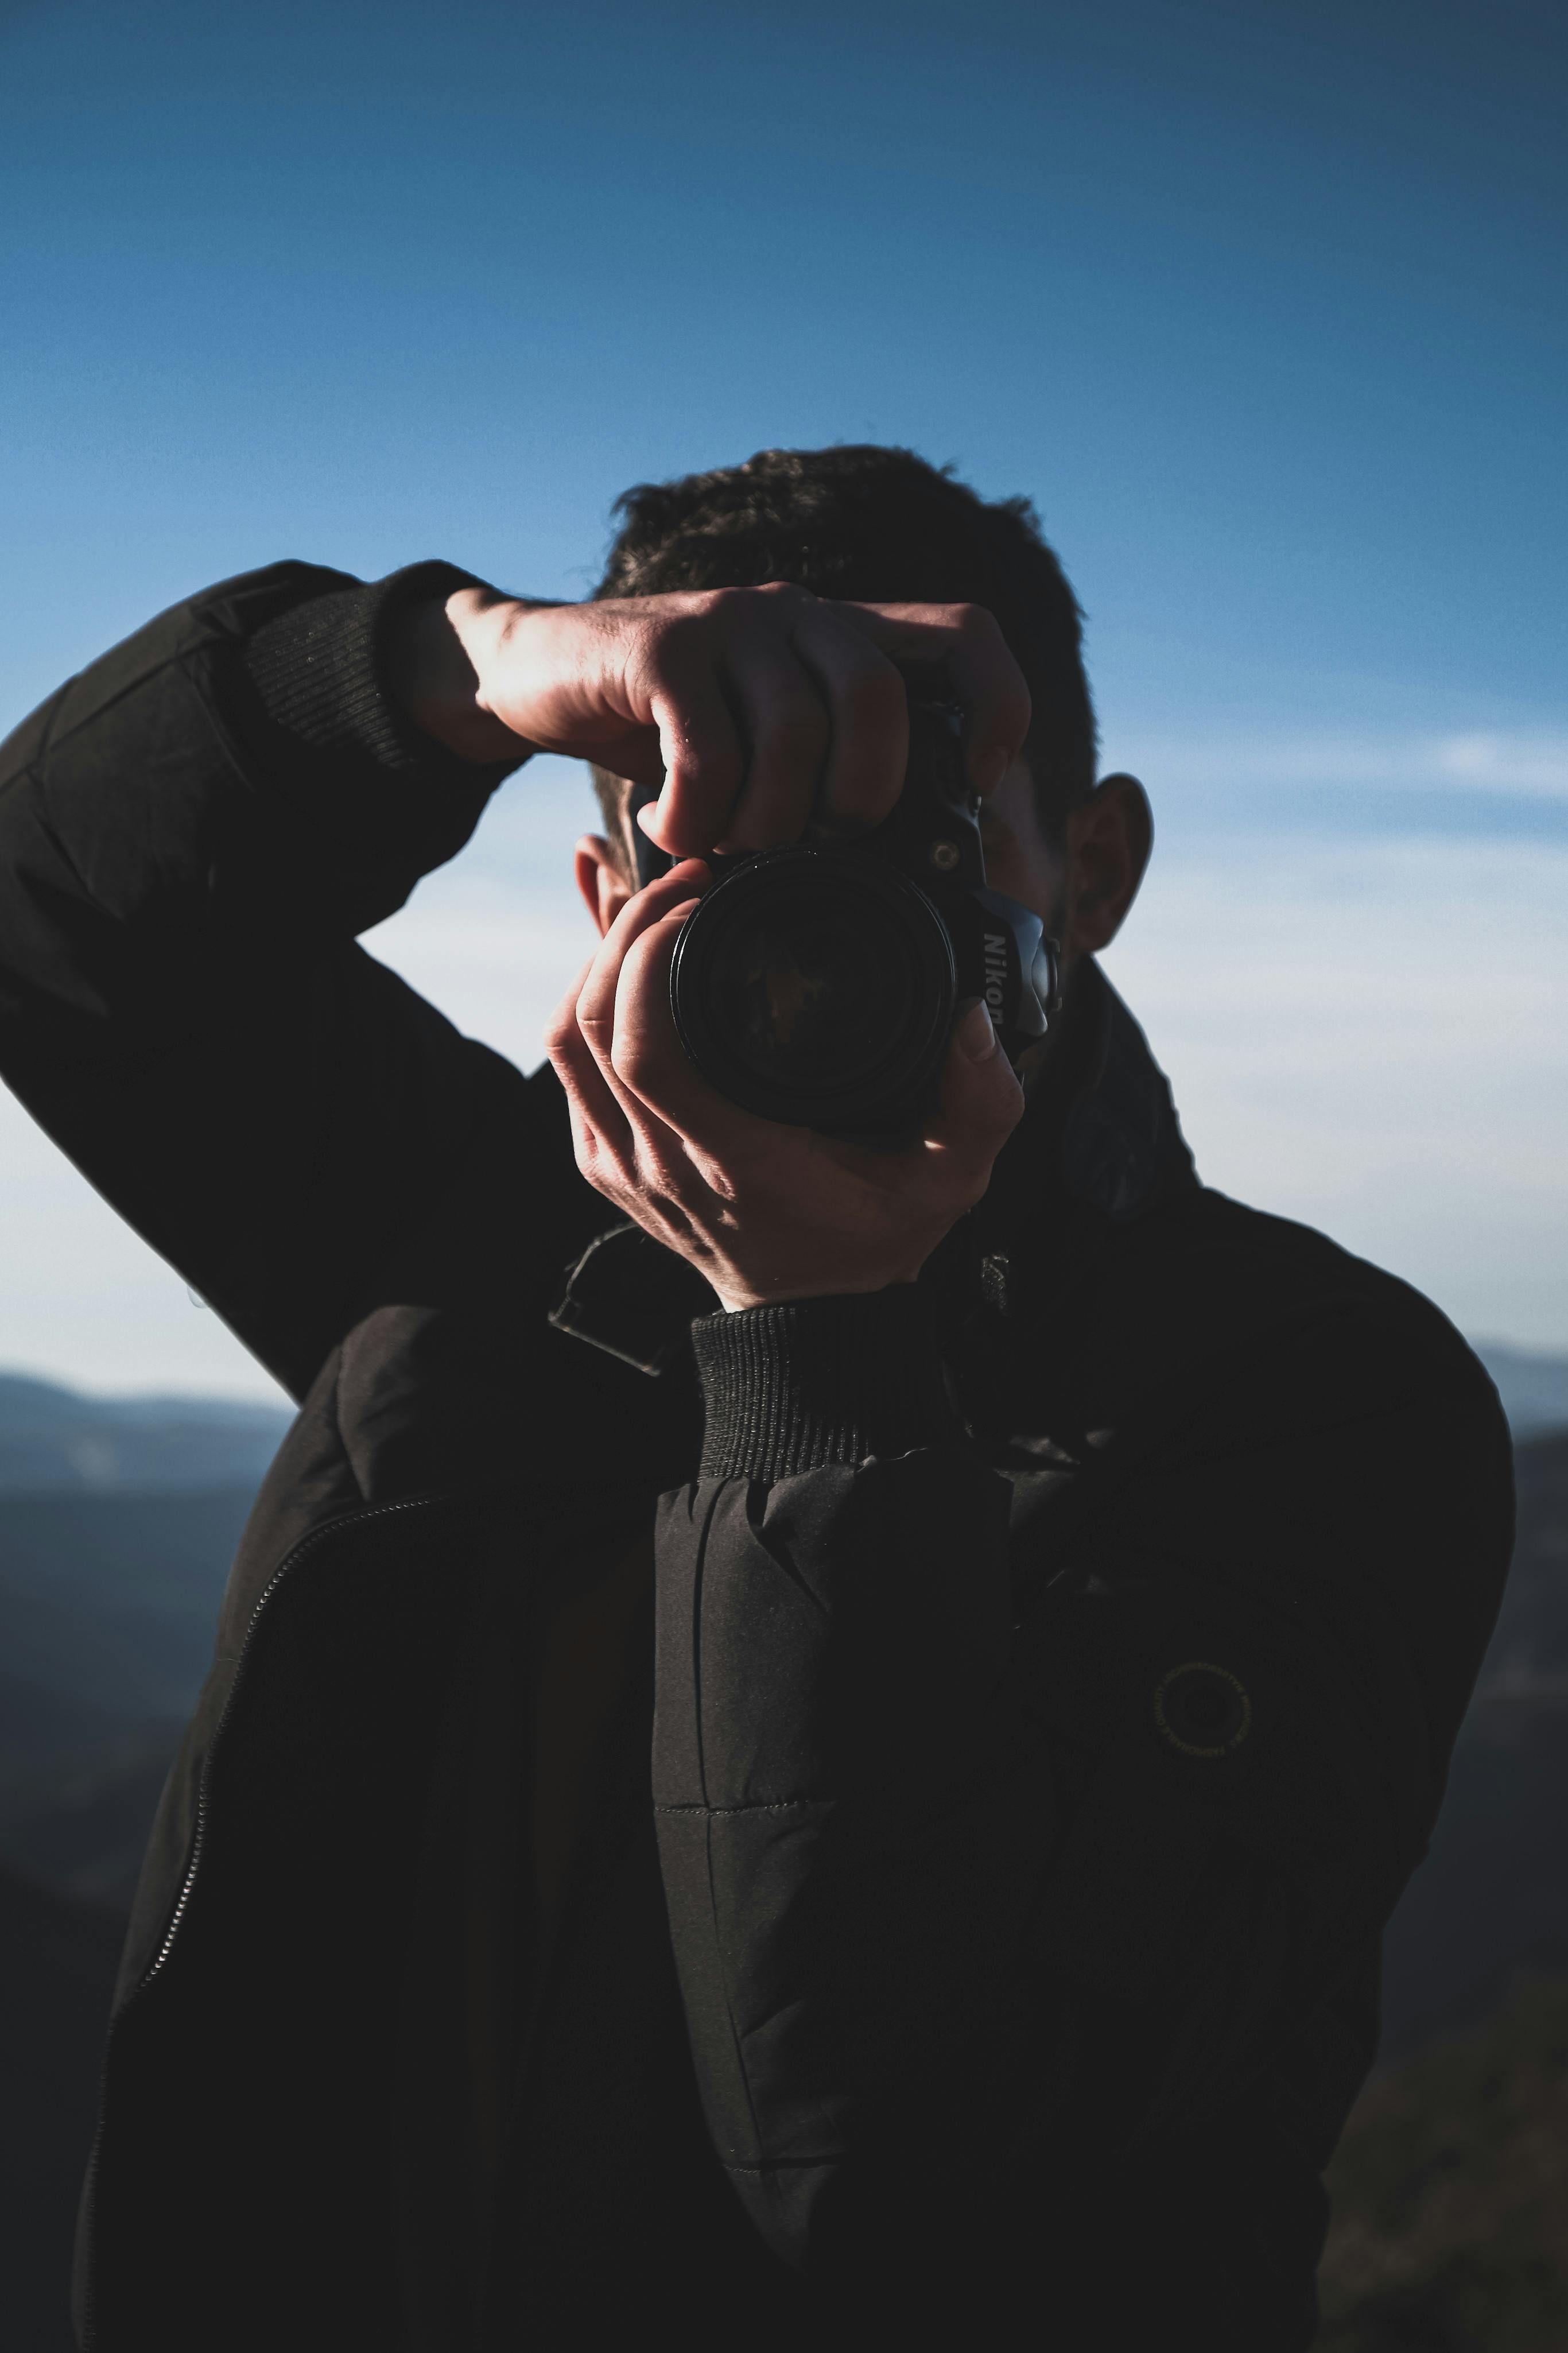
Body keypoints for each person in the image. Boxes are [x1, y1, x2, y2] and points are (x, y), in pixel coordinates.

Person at [0, 445, 1512, 2351]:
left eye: (922, 843)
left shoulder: (1319, 1398)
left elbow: (917, 2194)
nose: (818, 927)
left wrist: (812, 1351)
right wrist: (438, 671)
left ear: (1098, 868)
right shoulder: (498, 1254)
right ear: (600, 879)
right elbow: (48, 905)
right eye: (723, 843)